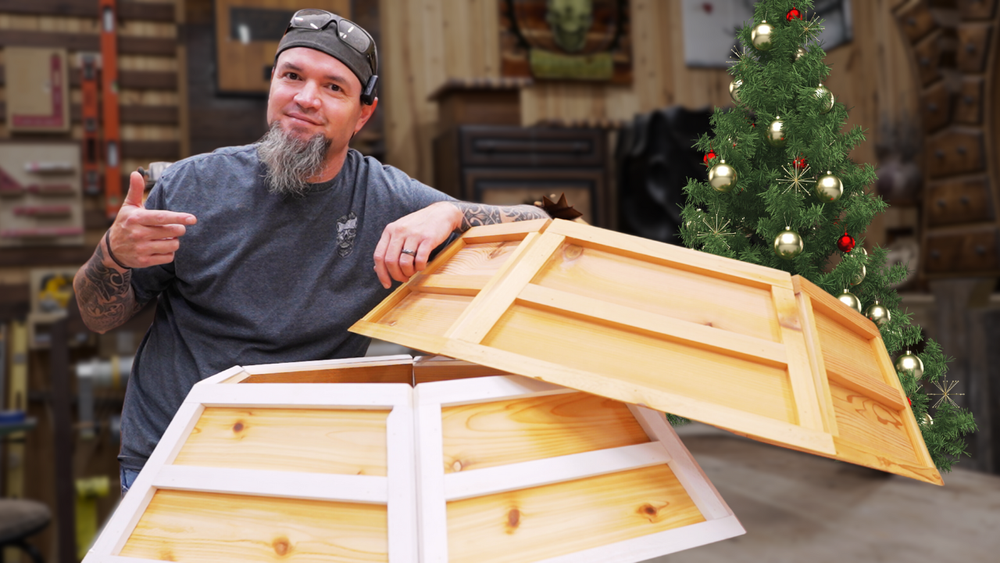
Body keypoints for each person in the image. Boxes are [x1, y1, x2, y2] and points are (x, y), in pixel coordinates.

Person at [72, 9, 548, 495]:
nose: (305, 98)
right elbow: (97, 316)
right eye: (292, 76)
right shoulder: (192, 185)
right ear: (273, 84)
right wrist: (111, 254)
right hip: (171, 458)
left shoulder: (384, 198)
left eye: (333, 87)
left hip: (309, 462)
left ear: (364, 113)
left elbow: (544, 224)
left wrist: (452, 214)